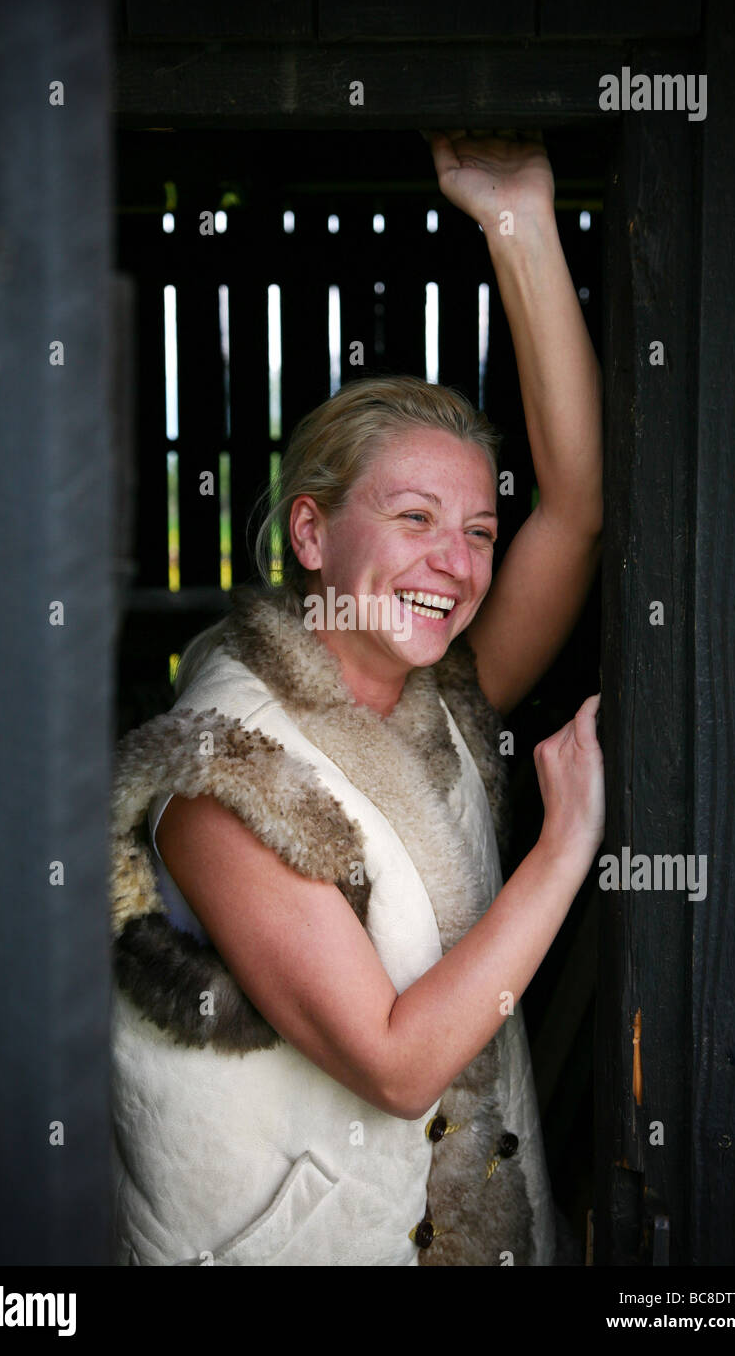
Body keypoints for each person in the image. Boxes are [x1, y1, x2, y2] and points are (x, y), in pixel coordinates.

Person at [108, 131, 604, 1266]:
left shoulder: (437, 698)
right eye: (414, 519)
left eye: (476, 530)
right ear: (311, 532)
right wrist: (565, 843)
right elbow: (395, 1061)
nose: (456, 559)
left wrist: (516, 217)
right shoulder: (226, 764)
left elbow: (572, 508)